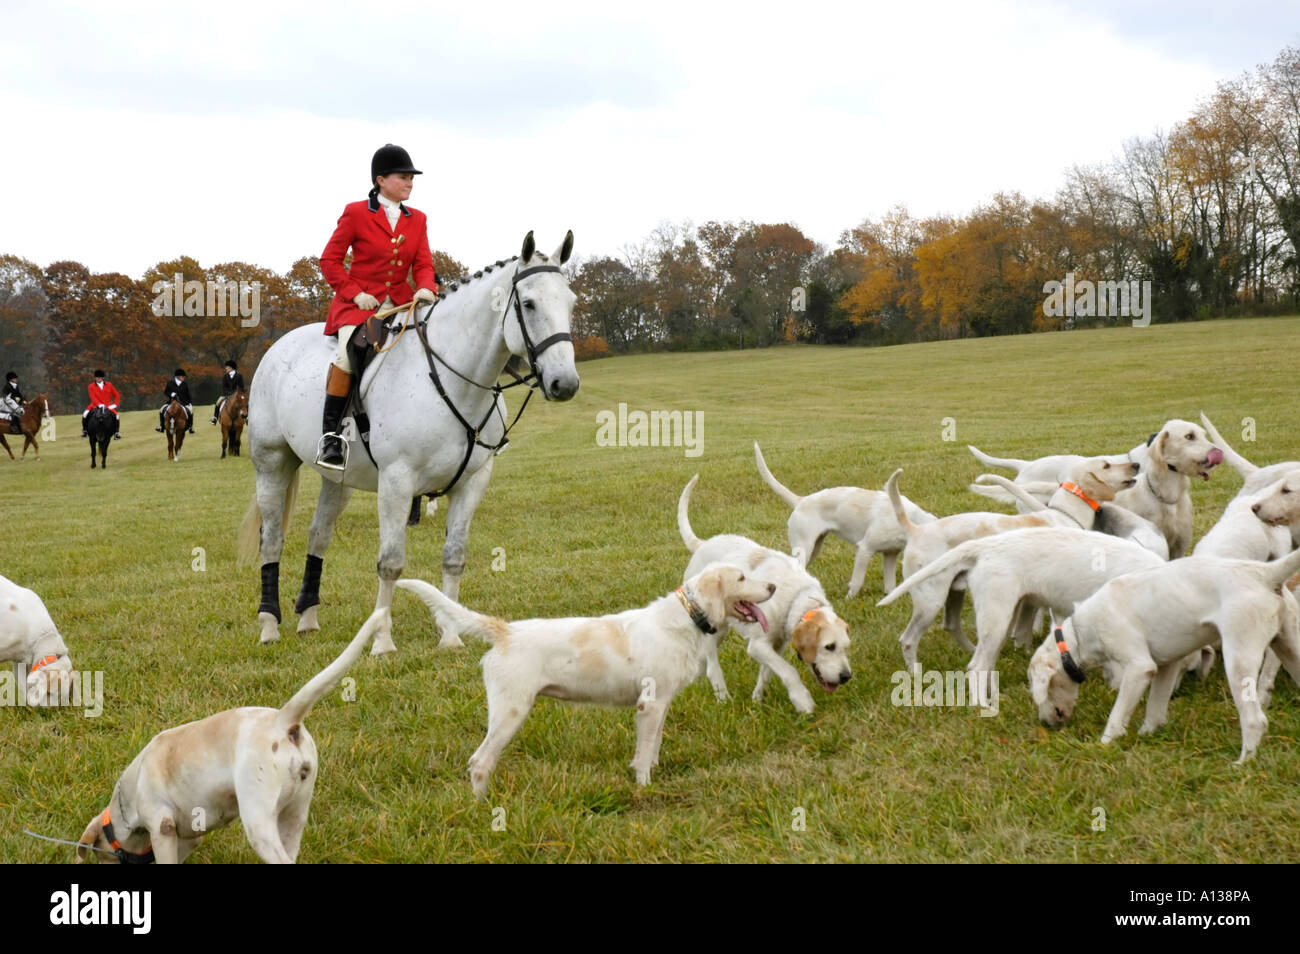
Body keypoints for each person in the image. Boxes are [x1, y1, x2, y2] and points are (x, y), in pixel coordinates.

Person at [316, 143, 438, 469]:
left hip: (400, 303)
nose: (410, 182)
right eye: (403, 177)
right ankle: (331, 437)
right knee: (346, 355)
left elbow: (423, 265)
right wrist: (355, 294)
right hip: (358, 306)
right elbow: (329, 261)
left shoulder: (418, 219)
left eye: (412, 177)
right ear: (381, 180)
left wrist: (425, 287)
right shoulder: (356, 212)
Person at [82, 369, 122, 439]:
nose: (98, 379)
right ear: (95, 378)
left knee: (117, 415)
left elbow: (117, 395)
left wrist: (115, 404)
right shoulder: (91, 386)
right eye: (97, 377)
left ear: (102, 377)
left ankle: (117, 433)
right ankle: (85, 430)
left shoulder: (109, 385)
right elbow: (92, 397)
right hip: (94, 405)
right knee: (85, 414)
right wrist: (99, 404)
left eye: (100, 377)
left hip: (107, 406)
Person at [156, 368, 195, 434]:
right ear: (178, 377)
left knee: (191, 411)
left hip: (183, 402)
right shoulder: (170, 383)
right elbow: (166, 392)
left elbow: (188, 394)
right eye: (183, 377)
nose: (184, 378)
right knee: (161, 410)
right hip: (171, 402)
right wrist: (171, 394)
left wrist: (190, 403)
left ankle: (190, 427)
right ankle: (161, 427)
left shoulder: (184, 384)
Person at [211, 359, 246, 424]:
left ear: (231, 367)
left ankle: (246, 417)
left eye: (227, 367)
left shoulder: (239, 376)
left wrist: (236, 394)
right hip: (226, 394)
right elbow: (224, 387)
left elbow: (241, 387)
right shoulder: (225, 376)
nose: (226, 368)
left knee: (244, 402)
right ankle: (215, 418)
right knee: (218, 402)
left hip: (237, 395)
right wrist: (228, 394)